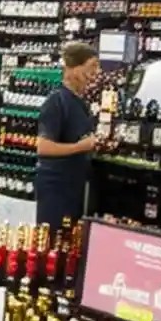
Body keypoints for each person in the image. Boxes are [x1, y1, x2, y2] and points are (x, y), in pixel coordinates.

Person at [35, 41, 101, 232]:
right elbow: (43, 147)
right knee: (53, 240)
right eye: (91, 67)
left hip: (73, 185)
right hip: (56, 187)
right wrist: (81, 146)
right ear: (72, 69)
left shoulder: (80, 102)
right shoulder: (56, 101)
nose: (95, 74)